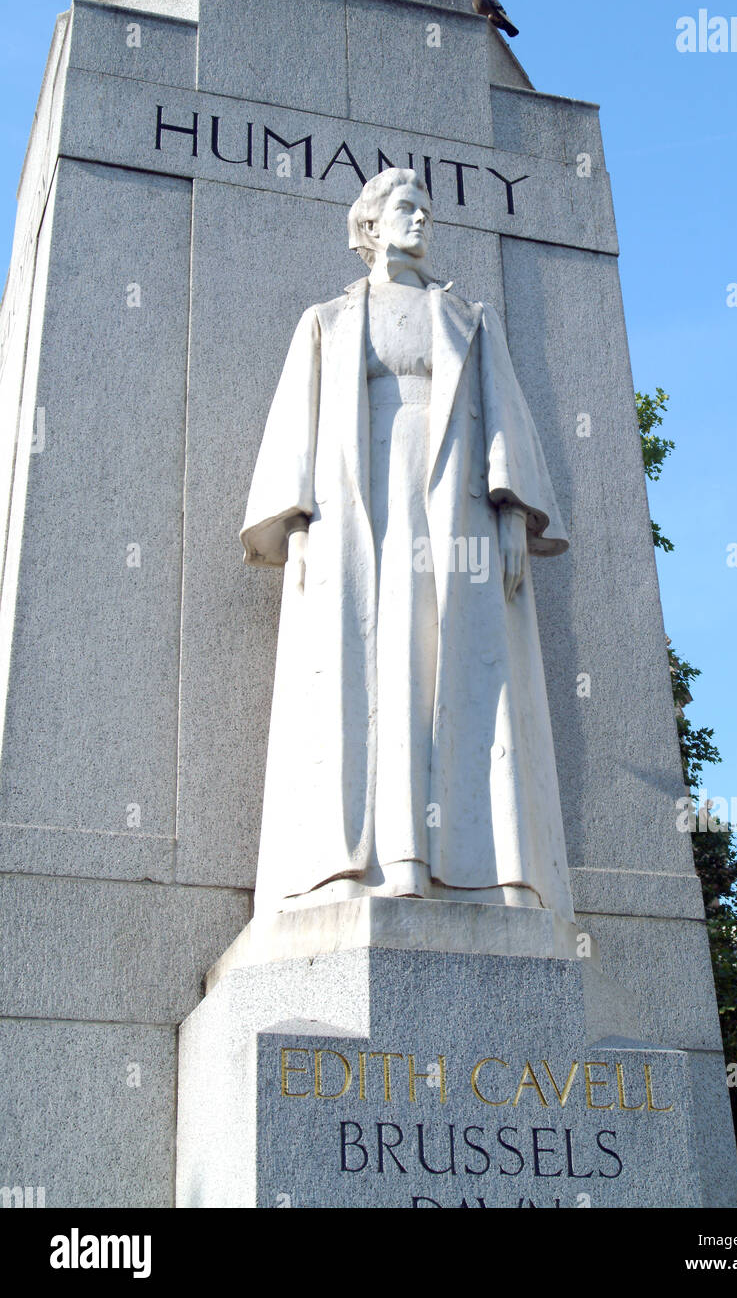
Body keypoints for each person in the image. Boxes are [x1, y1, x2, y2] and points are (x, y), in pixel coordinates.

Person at [241, 168, 573, 920]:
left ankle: (469, 866)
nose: (421, 220)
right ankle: (367, 863)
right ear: (369, 224)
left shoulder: (468, 319)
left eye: (427, 209)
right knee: (368, 671)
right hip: (357, 515)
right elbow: (297, 433)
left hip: (453, 512)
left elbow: (503, 422)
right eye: (405, 208)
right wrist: (294, 527)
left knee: (452, 667)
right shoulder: (325, 321)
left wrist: (514, 512)